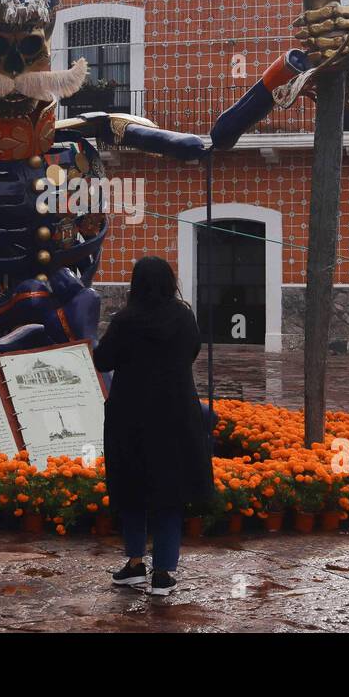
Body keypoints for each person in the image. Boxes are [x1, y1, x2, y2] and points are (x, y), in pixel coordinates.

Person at [92, 256, 214, 597]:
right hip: (175, 416)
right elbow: (192, 350)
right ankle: (163, 572)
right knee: (169, 494)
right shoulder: (183, 317)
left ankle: (134, 564)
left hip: (130, 417)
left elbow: (103, 360)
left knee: (132, 490)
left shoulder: (125, 320)